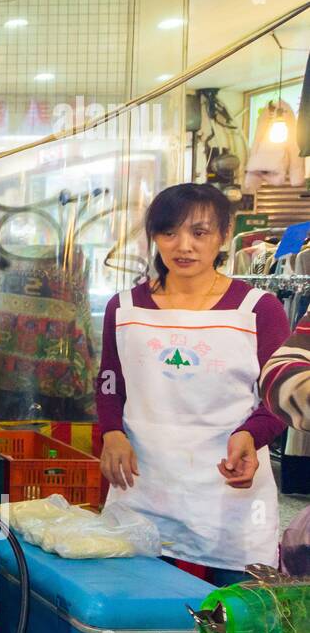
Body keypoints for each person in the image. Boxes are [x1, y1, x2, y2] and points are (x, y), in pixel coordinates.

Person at [97, 184, 290, 584]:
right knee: (139, 612)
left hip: (230, 493)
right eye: (169, 232)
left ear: (223, 234)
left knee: (236, 621)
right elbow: (111, 380)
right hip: (144, 488)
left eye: (199, 233)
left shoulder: (257, 309)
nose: (183, 246)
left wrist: (251, 436)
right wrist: (112, 433)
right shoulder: (125, 307)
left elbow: (279, 396)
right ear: (155, 236)